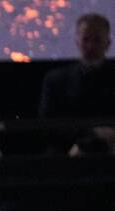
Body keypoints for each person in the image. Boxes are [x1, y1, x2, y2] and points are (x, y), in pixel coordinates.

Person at [38, 13, 115, 155]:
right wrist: (91, 134)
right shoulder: (56, 80)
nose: (90, 46)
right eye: (86, 40)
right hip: (67, 152)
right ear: (77, 41)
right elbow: (47, 125)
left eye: (97, 40)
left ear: (108, 43)